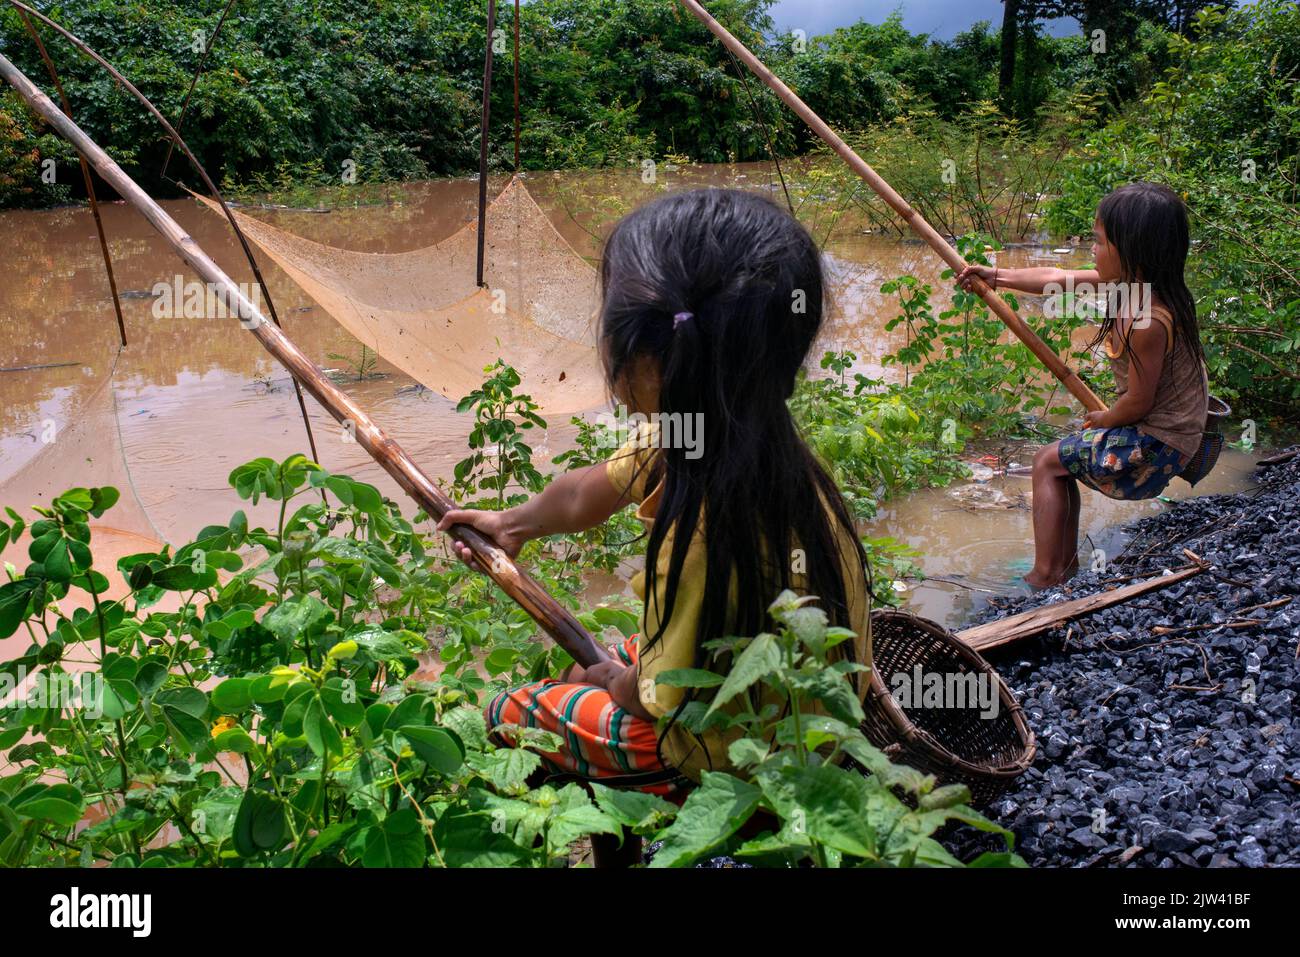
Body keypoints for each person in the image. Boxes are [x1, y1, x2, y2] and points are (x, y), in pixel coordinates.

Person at [436, 187, 872, 795]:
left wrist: (604, 680)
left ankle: (593, 818)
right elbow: (585, 492)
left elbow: (657, 702)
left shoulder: (700, 533)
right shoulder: (722, 440)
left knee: (517, 712)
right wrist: (513, 524)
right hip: (808, 719)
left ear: (648, 361)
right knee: (608, 660)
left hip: (730, 754)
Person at [958, 181, 1209, 589]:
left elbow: (1140, 403)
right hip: (1170, 438)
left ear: (1133, 252)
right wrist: (996, 276)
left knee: (1045, 461)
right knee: (1060, 463)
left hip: (1157, 445)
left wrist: (1105, 418)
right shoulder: (1142, 288)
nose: (1091, 249)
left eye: (1099, 241)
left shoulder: (1146, 319)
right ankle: (1063, 569)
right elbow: (1055, 277)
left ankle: (1045, 575)